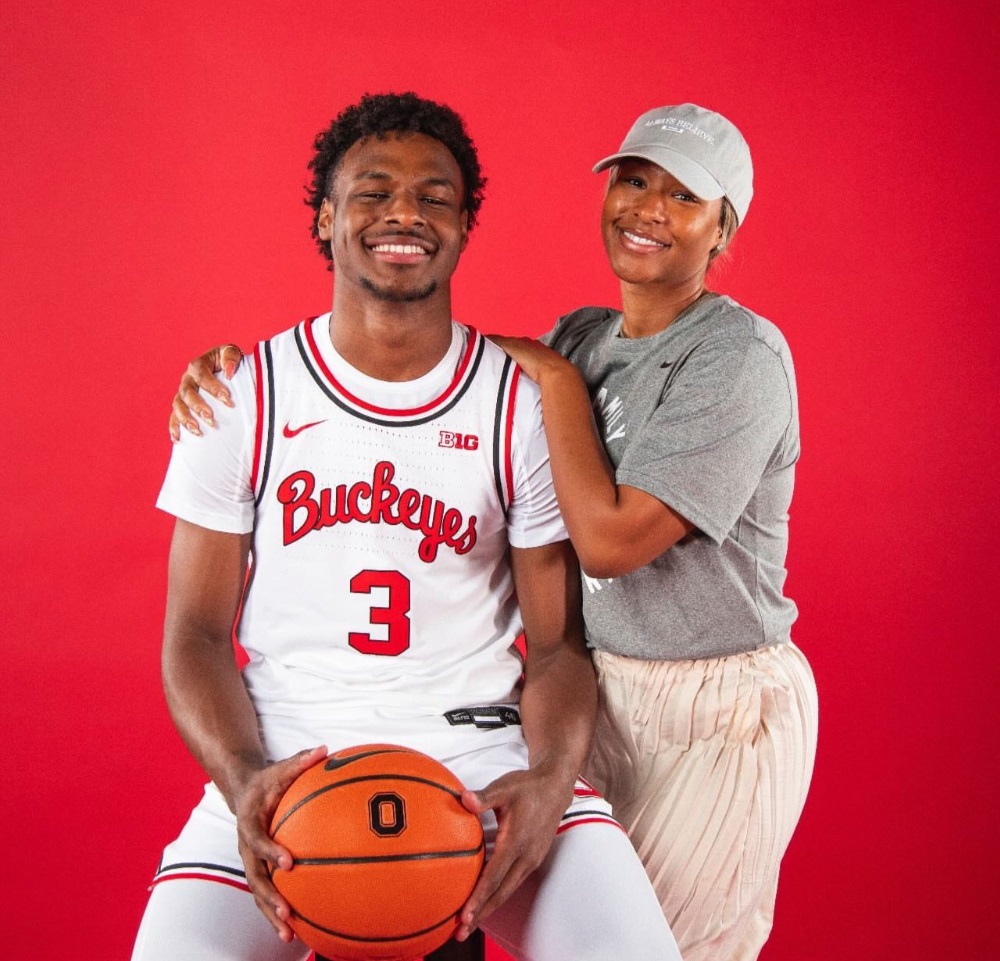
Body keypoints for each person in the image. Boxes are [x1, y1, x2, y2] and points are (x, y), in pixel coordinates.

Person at [170, 102, 819, 961]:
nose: (404, 213)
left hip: (698, 704)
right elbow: (194, 631)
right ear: (326, 217)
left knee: (670, 947)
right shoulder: (246, 396)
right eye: (374, 192)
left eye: (434, 196)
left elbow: (583, 596)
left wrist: (550, 779)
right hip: (310, 752)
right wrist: (243, 775)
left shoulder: (610, 376)